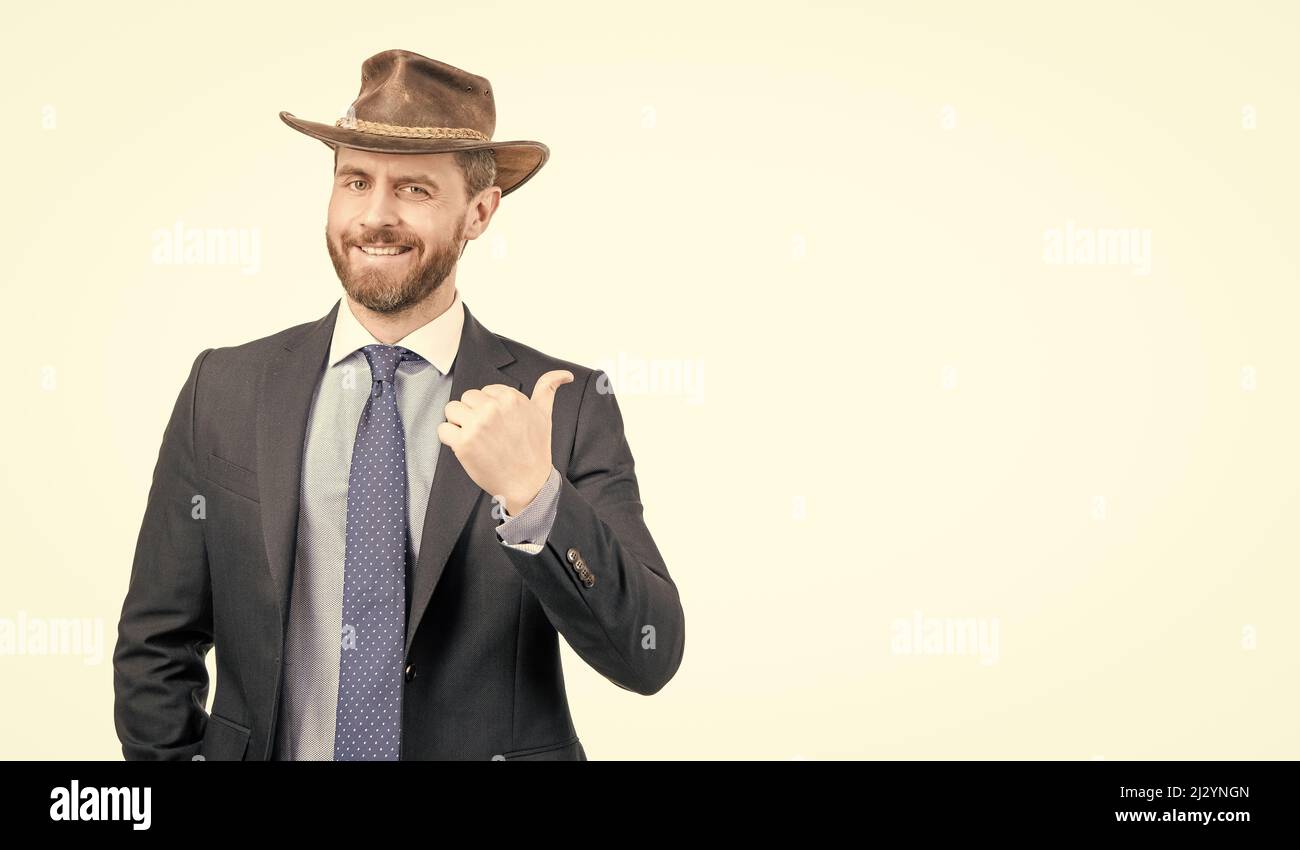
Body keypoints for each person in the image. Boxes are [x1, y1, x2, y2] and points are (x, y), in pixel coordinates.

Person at [112, 49, 685, 760]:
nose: (374, 216)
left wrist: (536, 495)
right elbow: (154, 649)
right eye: (355, 181)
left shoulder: (564, 407)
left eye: (413, 189)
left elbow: (647, 656)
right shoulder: (223, 389)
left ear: (479, 211)